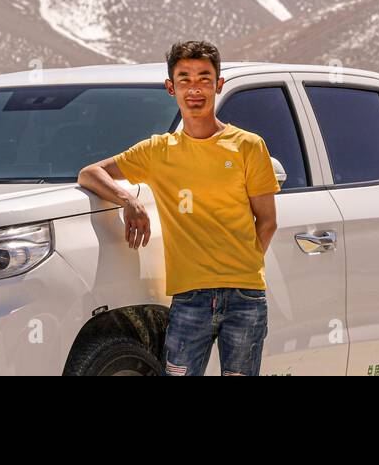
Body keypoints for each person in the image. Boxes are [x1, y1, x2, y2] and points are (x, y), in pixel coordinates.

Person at [78, 40, 280, 375]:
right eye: (184, 79)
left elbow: (268, 221)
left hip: (245, 297)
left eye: (204, 78)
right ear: (171, 88)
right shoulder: (158, 151)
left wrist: (240, 265)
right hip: (189, 299)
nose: (195, 89)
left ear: (218, 85)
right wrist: (129, 200)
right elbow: (90, 173)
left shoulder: (248, 146)